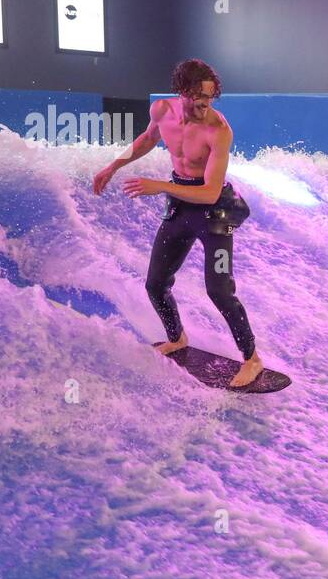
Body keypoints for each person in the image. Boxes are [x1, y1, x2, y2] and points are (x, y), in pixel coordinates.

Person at [92, 58, 264, 388]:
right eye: (199, 98)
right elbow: (147, 139)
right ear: (182, 92)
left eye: (211, 98)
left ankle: (252, 359)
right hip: (181, 207)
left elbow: (211, 192)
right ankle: (177, 337)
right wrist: (112, 166)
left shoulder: (219, 131)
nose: (205, 105)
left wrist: (159, 186)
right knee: (155, 283)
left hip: (215, 214)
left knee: (219, 290)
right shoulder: (162, 111)